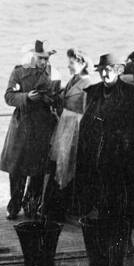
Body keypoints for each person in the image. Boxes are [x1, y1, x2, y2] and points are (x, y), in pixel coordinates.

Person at [74, 52, 134, 239]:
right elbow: (86, 126)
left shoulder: (133, 92)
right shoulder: (93, 92)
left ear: (118, 70)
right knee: (98, 198)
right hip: (96, 154)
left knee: (120, 201)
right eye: (101, 71)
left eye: (108, 70)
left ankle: (122, 239)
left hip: (119, 156)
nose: (104, 74)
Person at [0, 42, 59, 220]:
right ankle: (14, 205)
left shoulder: (52, 73)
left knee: (38, 170)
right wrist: (26, 97)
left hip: (42, 126)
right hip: (22, 125)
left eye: (47, 59)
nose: (44, 62)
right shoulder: (18, 72)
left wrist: (50, 98)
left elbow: (56, 98)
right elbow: (9, 97)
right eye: (41, 58)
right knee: (16, 168)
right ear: (34, 56)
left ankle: (31, 205)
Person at [41, 48, 96, 218]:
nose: (69, 66)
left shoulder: (87, 84)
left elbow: (88, 111)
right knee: (60, 164)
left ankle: (63, 207)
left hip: (75, 125)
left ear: (82, 64)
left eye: (72, 63)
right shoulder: (74, 79)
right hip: (65, 123)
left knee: (68, 165)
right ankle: (55, 206)